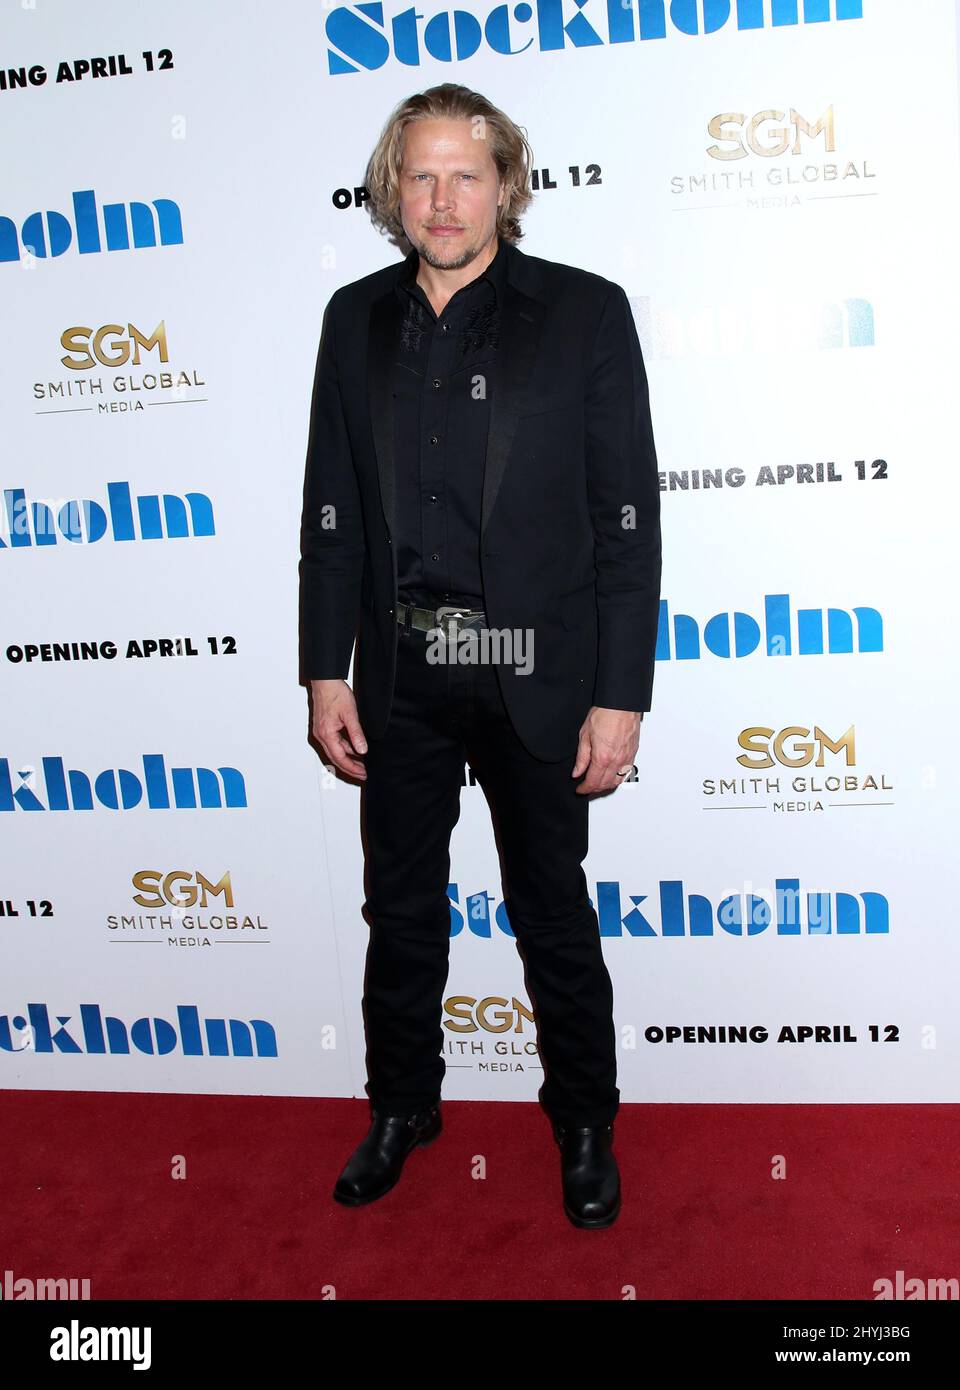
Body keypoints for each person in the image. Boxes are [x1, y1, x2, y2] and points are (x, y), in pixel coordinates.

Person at [299, 82, 661, 1229]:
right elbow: (331, 511)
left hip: (535, 670)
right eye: (420, 175)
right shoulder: (350, 319)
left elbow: (626, 519)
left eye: (465, 174)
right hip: (402, 672)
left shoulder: (585, 314)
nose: (441, 199)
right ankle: (404, 1105)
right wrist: (324, 667)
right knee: (400, 909)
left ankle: (587, 1120)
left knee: (552, 906)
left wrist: (620, 695)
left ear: (506, 182)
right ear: (390, 189)